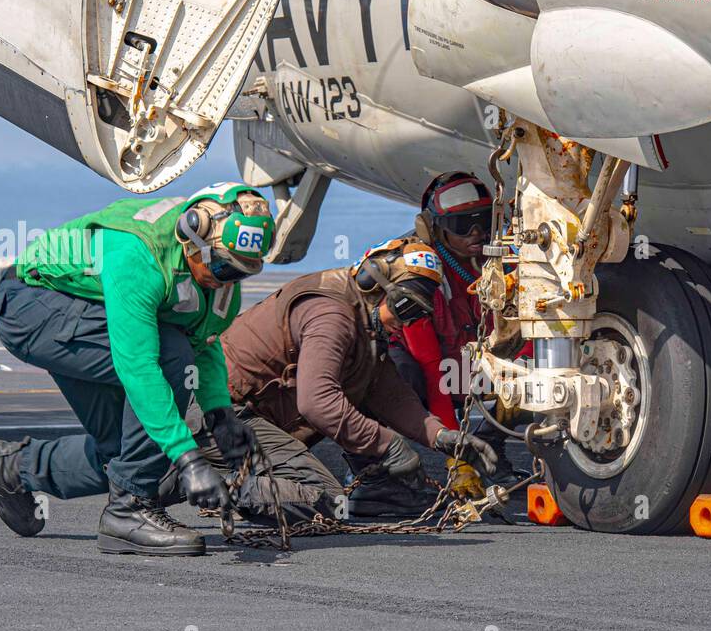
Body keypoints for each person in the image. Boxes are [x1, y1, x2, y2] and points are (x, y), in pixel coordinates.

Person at [0, 183, 275, 555]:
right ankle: (129, 510)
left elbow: (204, 342)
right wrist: (188, 459)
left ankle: (12, 469)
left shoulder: (216, 276)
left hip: (79, 315)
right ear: (193, 231)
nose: (222, 278)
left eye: (238, 272)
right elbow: (141, 365)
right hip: (30, 306)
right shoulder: (138, 254)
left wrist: (221, 416)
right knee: (168, 357)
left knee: (127, 453)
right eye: (220, 264)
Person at [217, 241, 499, 519]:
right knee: (323, 499)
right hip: (223, 418)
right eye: (405, 307)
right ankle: (216, 485)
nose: (406, 322)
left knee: (363, 383)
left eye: (417, 314)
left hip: (250, 417)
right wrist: (389, 445)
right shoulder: (332, 315)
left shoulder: (364, 316)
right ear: (374, 283)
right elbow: (316, 402)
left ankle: (379, 489)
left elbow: (388, 393)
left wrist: (441, 437)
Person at [383, 172, 526, 496]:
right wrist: (456, 461)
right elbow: (432, 367)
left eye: (484, 221)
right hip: (426, 371)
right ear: (433, 228)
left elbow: (526, 340)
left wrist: (515, 396)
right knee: (399, 375)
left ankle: (490, 447)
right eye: (463, 225)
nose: (476, 233)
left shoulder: (504, 268)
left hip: (468, 369)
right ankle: (380, 468)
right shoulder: (420, 278)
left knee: (537, 373)